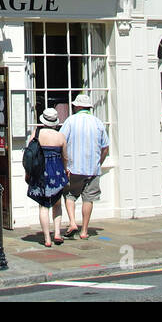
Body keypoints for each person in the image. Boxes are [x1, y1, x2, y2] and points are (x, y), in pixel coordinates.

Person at [61, 93, 110, 240]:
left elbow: (61, 141)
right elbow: (105, 147)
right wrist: (98, 163)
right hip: (92, 169)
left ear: (77, 106)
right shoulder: (98, 123)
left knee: (69, 195)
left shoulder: (70, 121)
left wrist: (64, 163)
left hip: (73, 167)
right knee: (88, 199)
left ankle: (72, 222)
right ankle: (84, 231)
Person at [26, 108, 69, 247]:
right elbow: (65, 157)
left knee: (43, 206)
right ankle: (57, 233)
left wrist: (28, 172)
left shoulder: (36, 134)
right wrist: (65, 170)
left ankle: (47, 238)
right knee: (57, 204)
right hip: (56, 171)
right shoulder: (60, 136)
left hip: (40, 171)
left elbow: (29, 155)